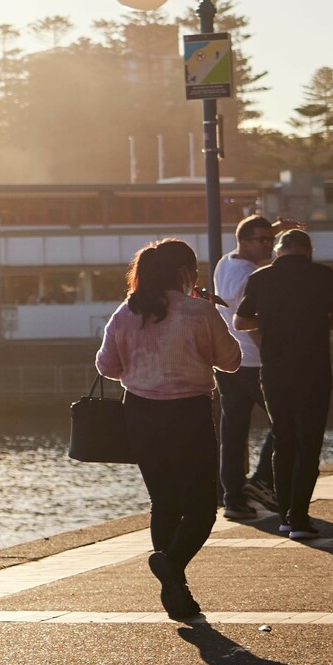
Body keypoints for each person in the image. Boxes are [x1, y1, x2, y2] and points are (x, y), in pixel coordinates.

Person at [95, 237, 242, 624]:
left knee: (164, 502)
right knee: (201, 509)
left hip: (141, 416)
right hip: (188, 415)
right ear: (185, 274)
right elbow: (231, 361)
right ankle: (172, 566)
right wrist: (209, 318)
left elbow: (107, 367)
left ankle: (176, 591)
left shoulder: (126, 313)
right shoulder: (199, 312)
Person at [237, 226, 333, 538]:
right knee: (309, 444)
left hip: (274, 372)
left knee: (282, 440)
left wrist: (273, 321)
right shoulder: (322, 274)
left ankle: (284, 516)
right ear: (308, 251)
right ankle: (300, 518)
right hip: (314, 372)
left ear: (278, 252)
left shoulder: (261, 277)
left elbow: (241, 321)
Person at [211, 214, 278, 519]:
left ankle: (233, 498)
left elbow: (245, 237)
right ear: (246, 242)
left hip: (228, 363)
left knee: (234, 430)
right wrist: (275, 352)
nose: (270, 245)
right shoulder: (251, 276)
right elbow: (250, 322)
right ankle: (262, 481)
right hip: (255, 361)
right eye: (264, 240)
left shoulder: (225, 263)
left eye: (272, 238)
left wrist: (274, 229)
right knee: (287, 419)